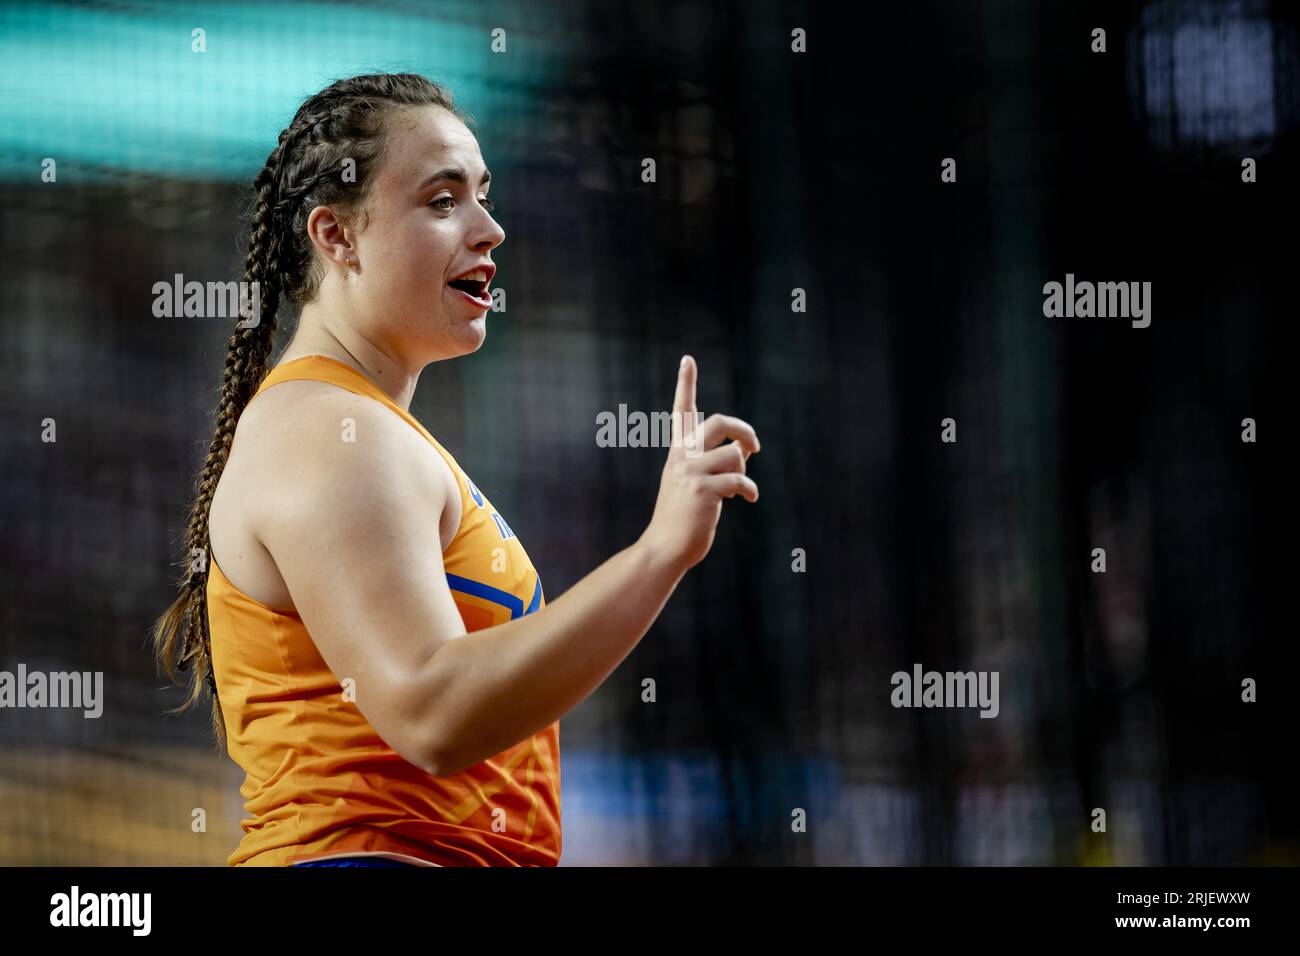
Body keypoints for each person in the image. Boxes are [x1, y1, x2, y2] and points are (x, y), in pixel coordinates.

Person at [151, 72, 760, 867]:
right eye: (443, 201)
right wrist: (658, 553)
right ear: (336, 236)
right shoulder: (332, 432)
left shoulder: (361, 430)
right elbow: (431, 713)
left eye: (483, 194)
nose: (490, 229)